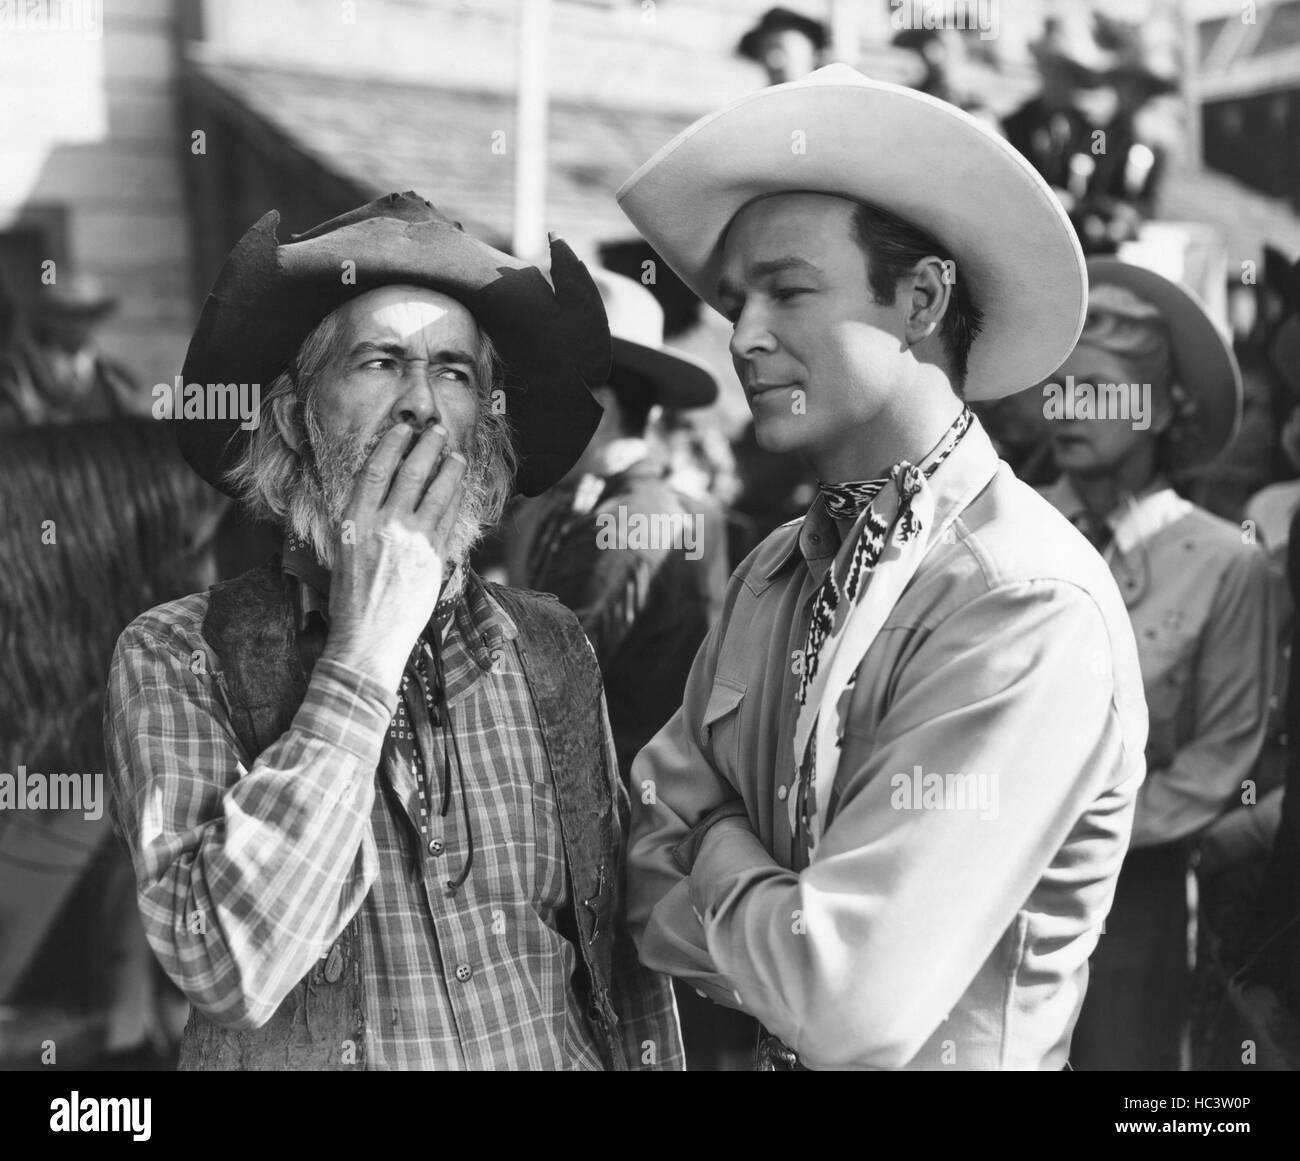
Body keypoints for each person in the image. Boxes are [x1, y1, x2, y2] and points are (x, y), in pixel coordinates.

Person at [618, 64, 1148, 1071]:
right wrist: (771, 917)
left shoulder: (1021, 599)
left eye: (787, 289)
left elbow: (850, 1004)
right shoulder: (779, 565)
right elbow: (638, 846)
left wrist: (717, 848)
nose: (745, 336)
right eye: (737, 301)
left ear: (920, 298)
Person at [104, 191, 683, 1070]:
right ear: (297, 416)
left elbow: (619, 973)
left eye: (452, 371)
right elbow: (227, 965)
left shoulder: (551, 645)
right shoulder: (174, 653)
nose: (421, 401)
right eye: (380, 361)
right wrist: (366, 646)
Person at [1039, 258, 1274, 1070]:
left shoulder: (1224, 562)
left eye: (1097, 389)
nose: (1067, 408)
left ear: (1161, 405)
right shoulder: (1003, 533)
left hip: (1135, 895)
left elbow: (1221, 757)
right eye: (1058, 385)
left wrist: (1084, 834)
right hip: (984, 888)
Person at [0, 274, 143, 426]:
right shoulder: (17, 373)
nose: (75, 325)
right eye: (64, 315)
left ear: (94, 319)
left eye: (84, 315)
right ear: (48, 319)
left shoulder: (114, 380)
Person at [736, 6, 827, 87]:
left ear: (815, 56)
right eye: (763, 54)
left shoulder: (836, 100)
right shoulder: (757, 105)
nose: (773, 63)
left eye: (782, 50)